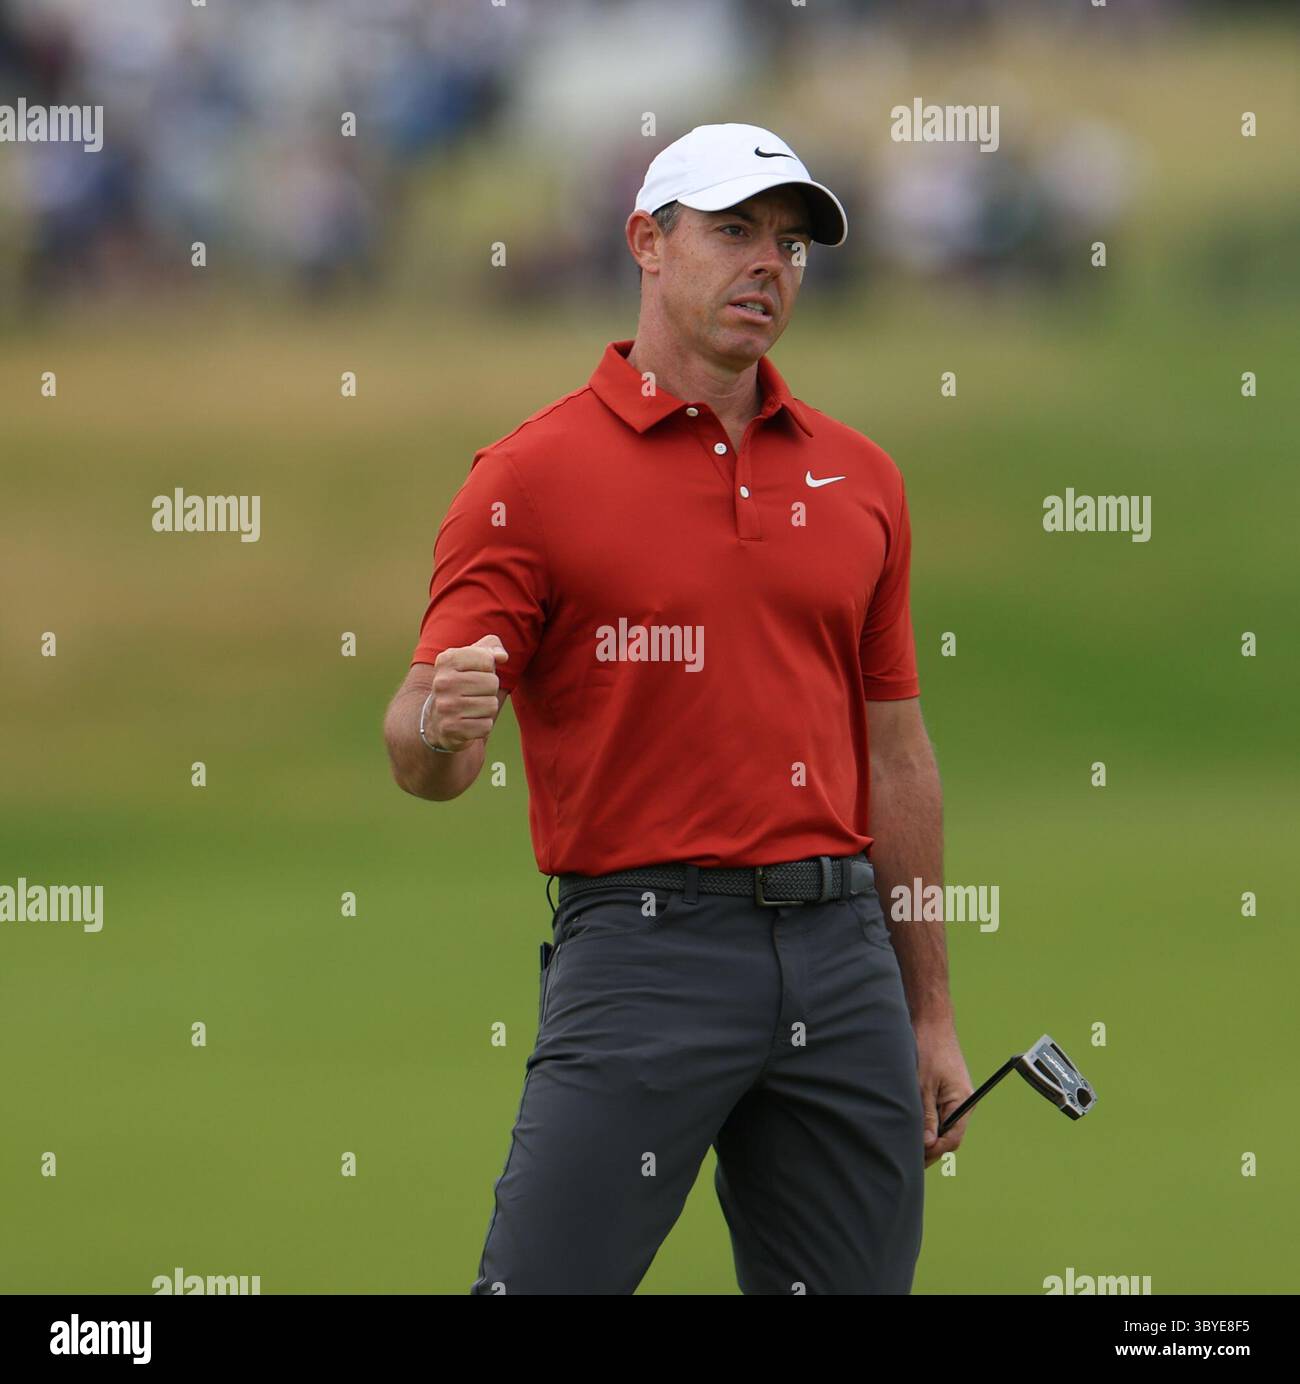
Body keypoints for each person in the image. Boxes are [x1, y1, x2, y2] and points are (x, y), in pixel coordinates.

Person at [383, 122, 972, 1295]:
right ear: (646, 242)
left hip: (841, 952)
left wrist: (929, 1009)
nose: (769, 265)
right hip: (645, 958)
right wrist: (442, 729)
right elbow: (422, 747)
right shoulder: (529, 476)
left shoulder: (860, 477)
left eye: (792, 244)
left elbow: (894, 758)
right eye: (735, 231)